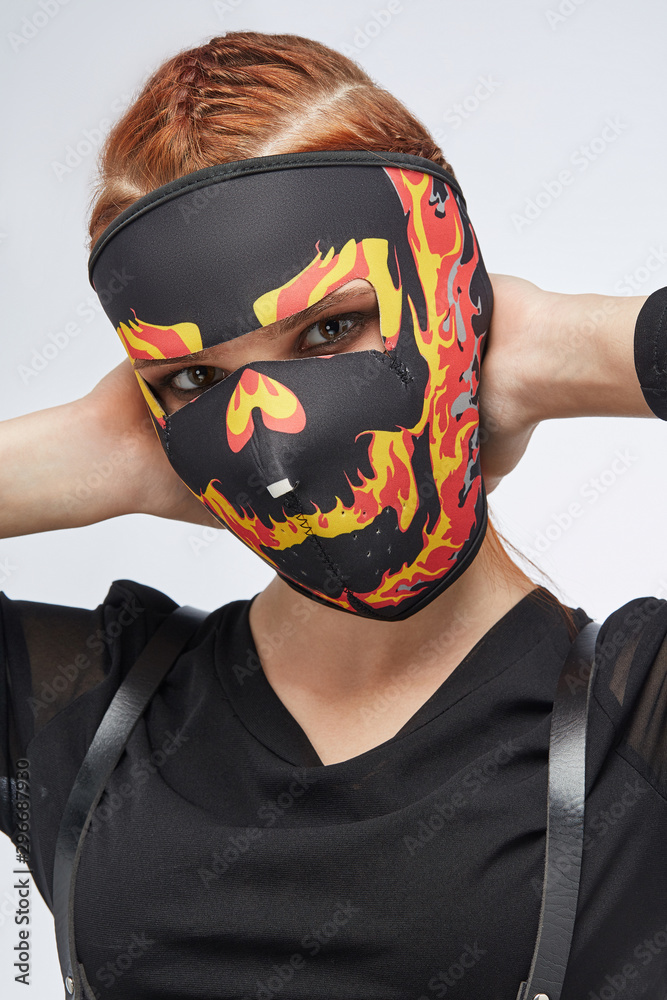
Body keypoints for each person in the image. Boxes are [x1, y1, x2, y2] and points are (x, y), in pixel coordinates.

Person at [1, 30, 666, 1000]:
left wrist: (585, 349)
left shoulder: (636, 718)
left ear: (455, 300)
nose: (273, 443)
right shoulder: (91, 708)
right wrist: (86, 453)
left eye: (330, 328)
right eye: (194, 378)